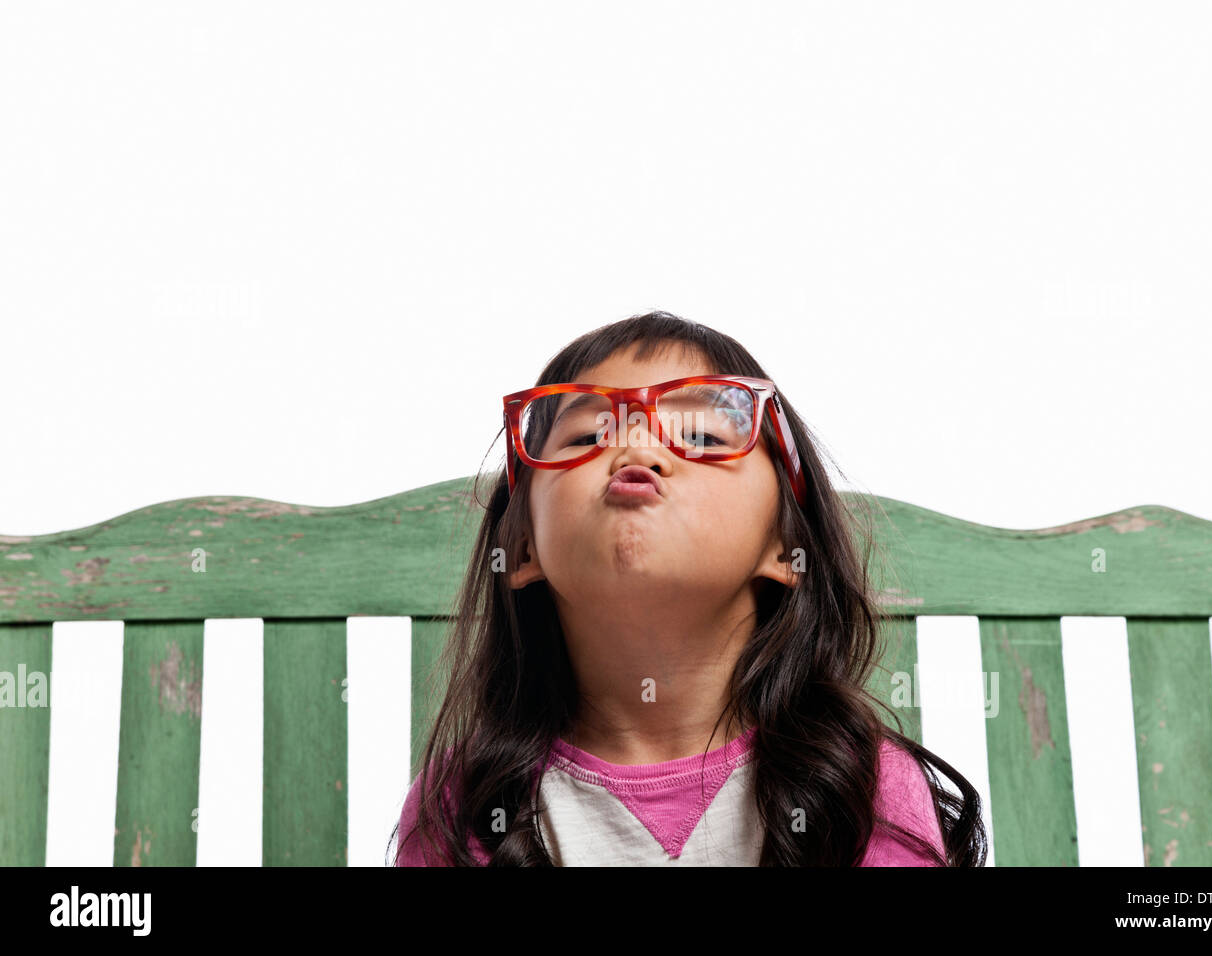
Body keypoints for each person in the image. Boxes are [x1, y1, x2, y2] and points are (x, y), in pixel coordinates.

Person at [390, 310, 987, 866]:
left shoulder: (863, 790)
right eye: (585, 438)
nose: (637, 448)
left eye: (701, 437)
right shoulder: (459, 809)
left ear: (784, 547)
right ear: (522, 548)